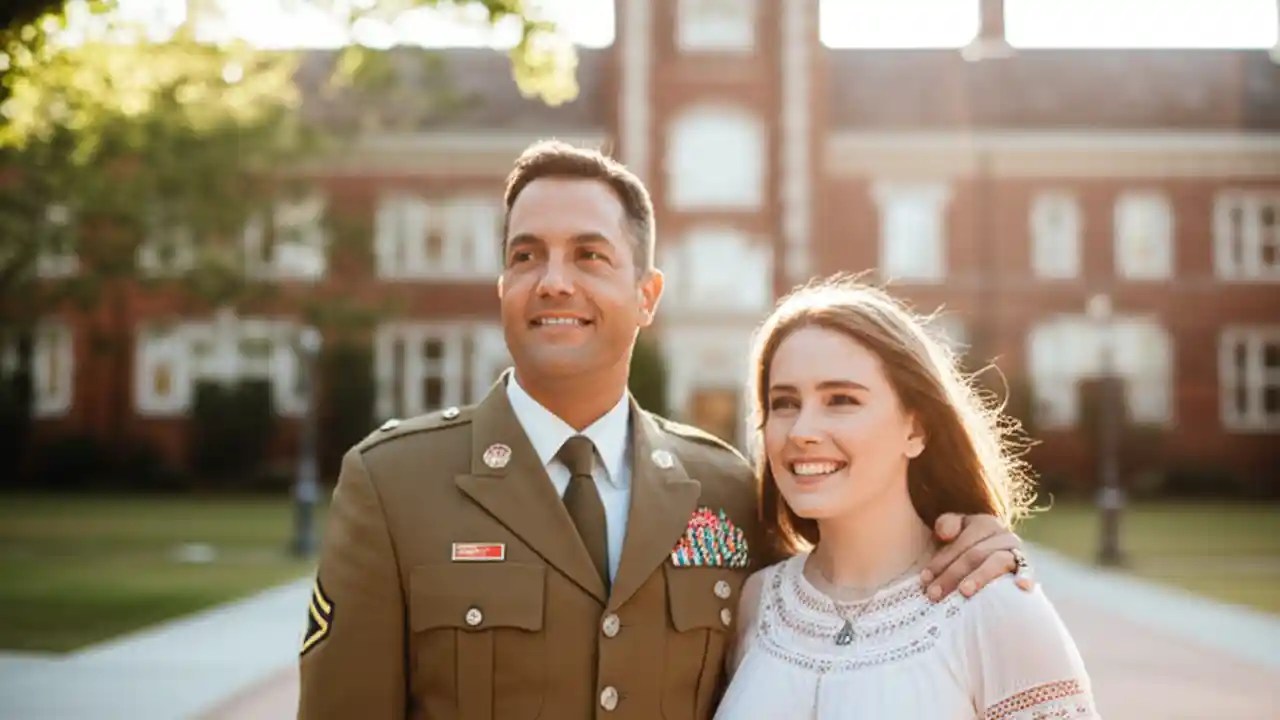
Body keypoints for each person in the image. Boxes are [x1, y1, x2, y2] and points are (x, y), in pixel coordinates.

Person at [297, 142, 1030, 720]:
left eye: (589, 254)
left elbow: (852, 584)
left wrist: (965, 535)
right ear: (503, 291)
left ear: (646, 295)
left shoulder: (728, 491)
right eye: (526, 255)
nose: (554, 280)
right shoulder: (392, 486)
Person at [715, 278, 1098, 719]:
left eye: (840, 399)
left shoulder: (994, 606)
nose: (801, 431)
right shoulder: (758, 603)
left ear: (915, 430)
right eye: (784, 403)